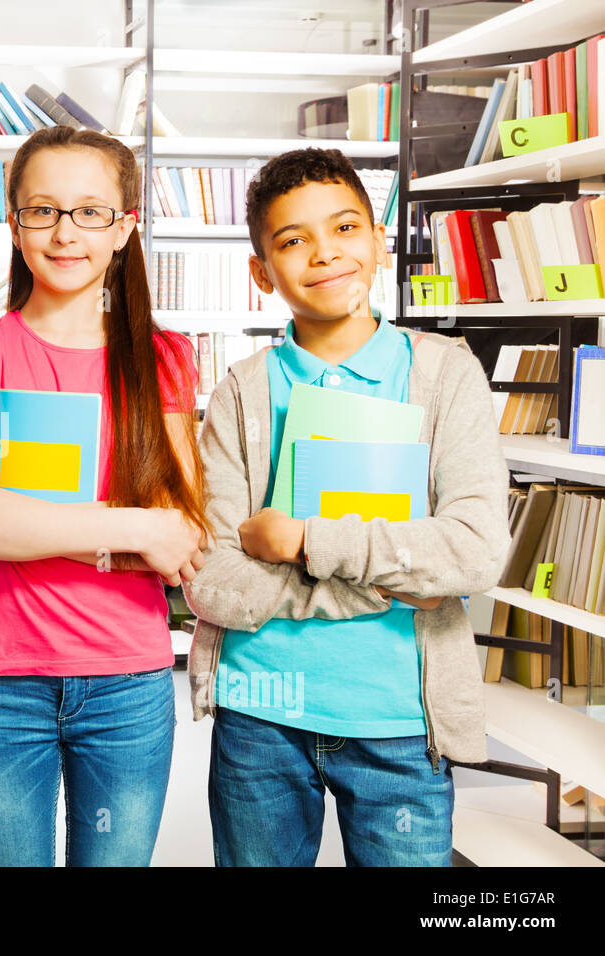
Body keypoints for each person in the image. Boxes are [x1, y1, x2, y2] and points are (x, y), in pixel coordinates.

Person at [182, 148, 511, 867]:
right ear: (261, 272)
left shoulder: (444, 373)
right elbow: (211, 579)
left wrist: (301, 540)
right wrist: (389, 581)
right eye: (293, 240)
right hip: (260, 715)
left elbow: (474, 551)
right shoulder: (241, 392)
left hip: (401, 722)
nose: (325, 253)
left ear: (379, 241)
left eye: (345, 228)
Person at [0, 126, 207, 867]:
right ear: (14, 224)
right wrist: (131, 526)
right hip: (0, 685)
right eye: (42, 211)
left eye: (90, 212)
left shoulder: (165, 358)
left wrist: (21, 521)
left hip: (127, 683)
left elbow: (182, 531)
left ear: (125, 228)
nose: (64, 233)